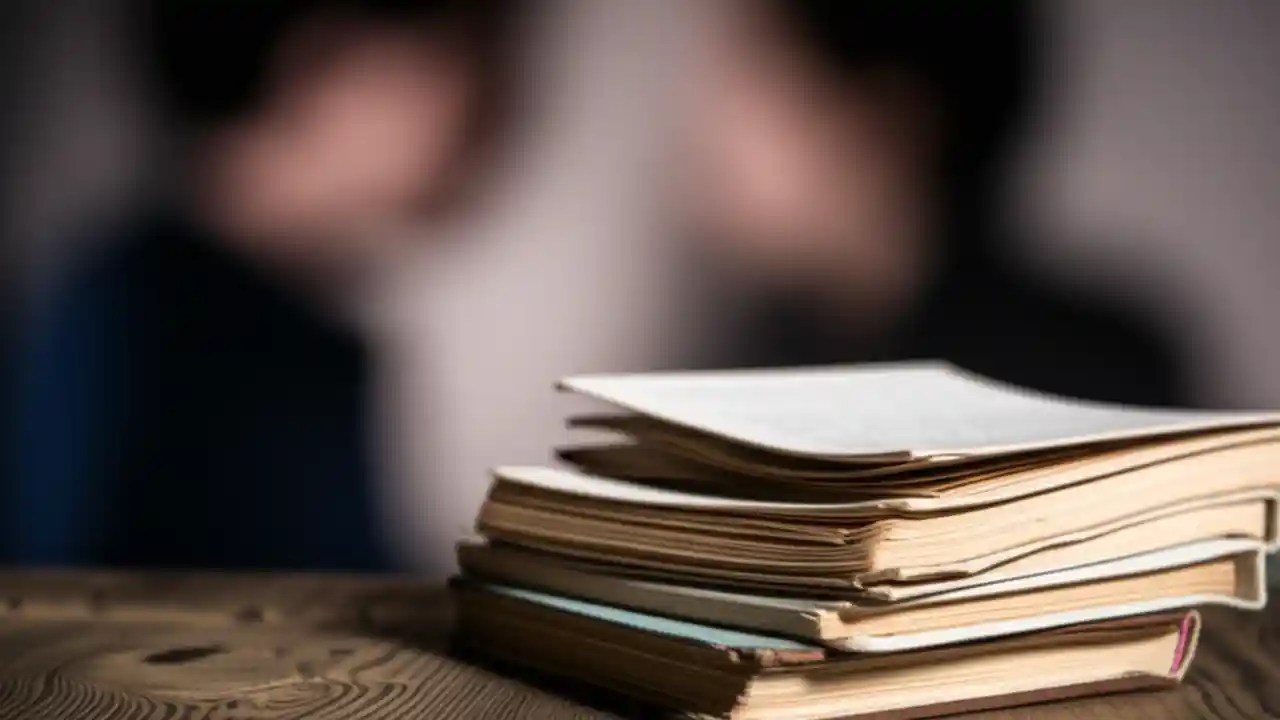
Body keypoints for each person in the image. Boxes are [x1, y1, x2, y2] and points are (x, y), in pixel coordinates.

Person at [6, 0, 517, 569]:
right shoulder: (129, 318)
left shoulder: (311, 343)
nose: (501, 97)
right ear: (321, 61)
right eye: (460, 49)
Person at [681, 0, 1188, 406]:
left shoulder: (1091, 377)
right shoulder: (738, 361)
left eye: (760, 76)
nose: (711, 136)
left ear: (887, 121)